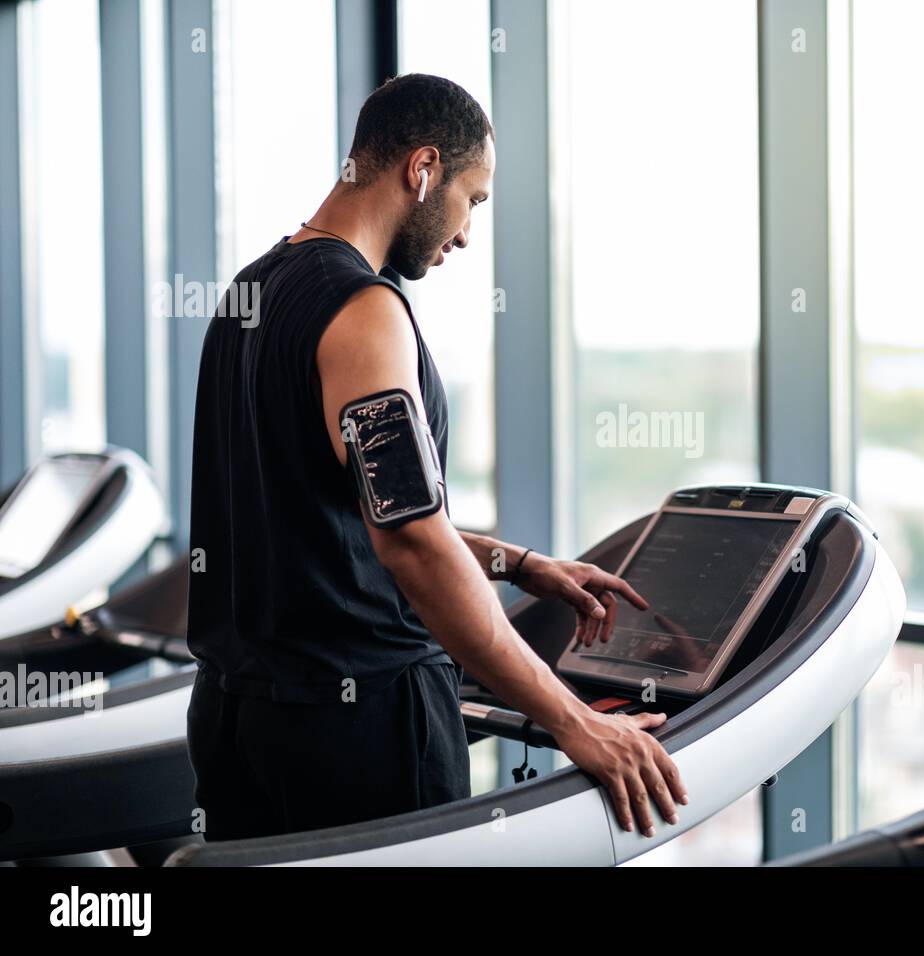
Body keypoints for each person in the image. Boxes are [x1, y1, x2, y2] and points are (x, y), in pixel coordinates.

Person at [186, 73, 686, 843]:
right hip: (361, 733)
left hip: (235, 721)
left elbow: (334, 516)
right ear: (422, 171)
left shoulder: (249, 295)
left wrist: (515, 564)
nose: (465, 233)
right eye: (472, 200)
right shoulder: (363, 312)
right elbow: (411, 542)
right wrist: (576, 721)